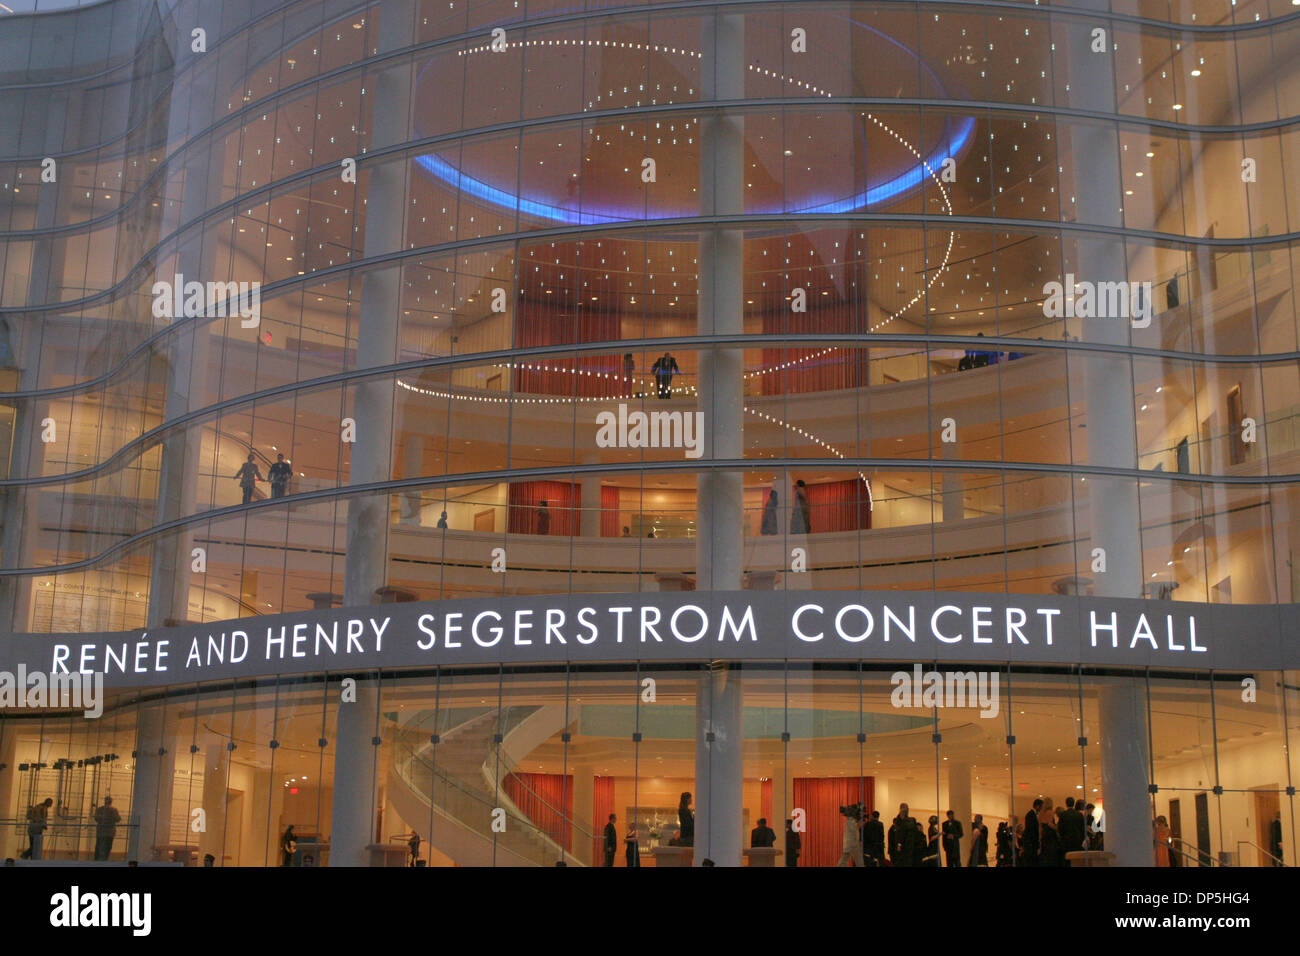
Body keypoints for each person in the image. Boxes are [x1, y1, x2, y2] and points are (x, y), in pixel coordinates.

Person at [93, 796, 121, 861]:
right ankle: (101, 860)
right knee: (102, 846)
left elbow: (117, 819)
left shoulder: (103, 809)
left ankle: (99, 860)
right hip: (106, 832)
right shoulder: (112, 810)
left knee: (103, 846)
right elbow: (118, 819)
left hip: (105, 832)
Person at [1022, 798, 1042, 866]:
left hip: (1032, 843)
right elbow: (1031, 829)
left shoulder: (1033, 814)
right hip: (1030, 843)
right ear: (1037, 806)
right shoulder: (1030, 815)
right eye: (1041, 807)